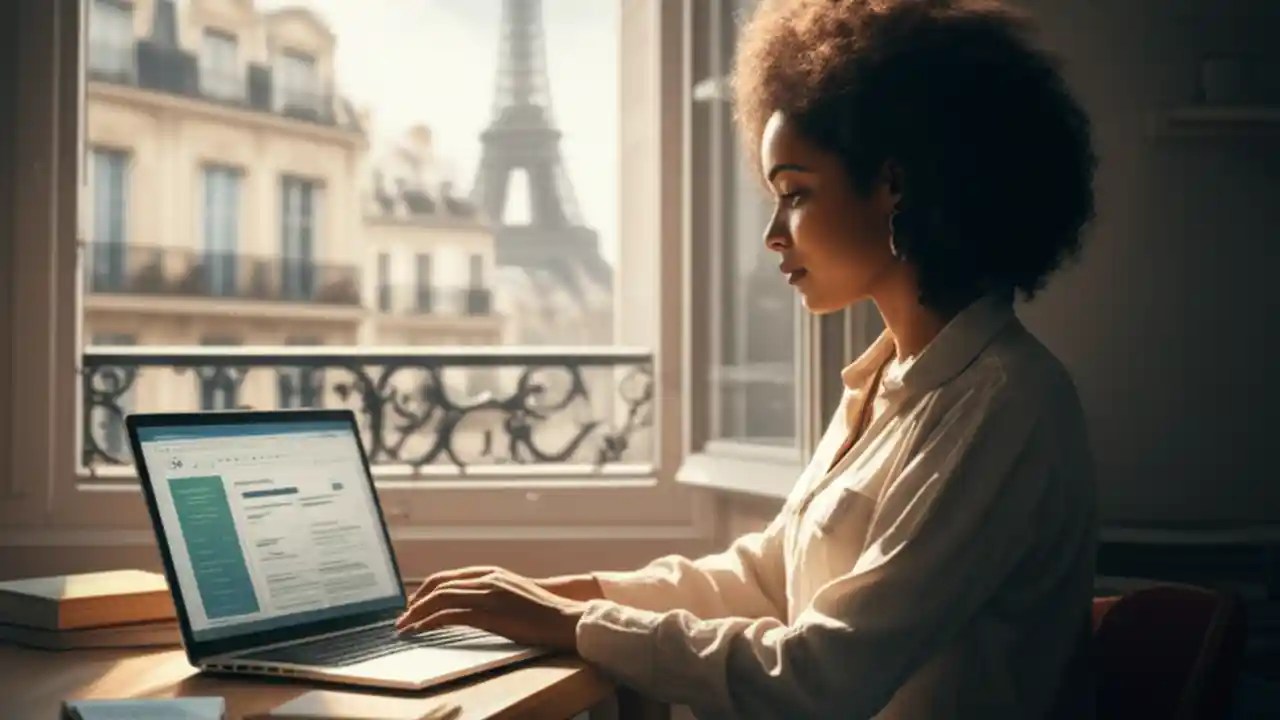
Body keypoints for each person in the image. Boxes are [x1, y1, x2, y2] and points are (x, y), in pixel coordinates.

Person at [397, 0, 1098, 716]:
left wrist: (577, 625)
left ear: (895, 185)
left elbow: (823, 674)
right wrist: (568, 595)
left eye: (793, 193)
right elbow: (770, 578)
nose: (771, 233)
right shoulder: (890, 382)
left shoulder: (1002, 406)